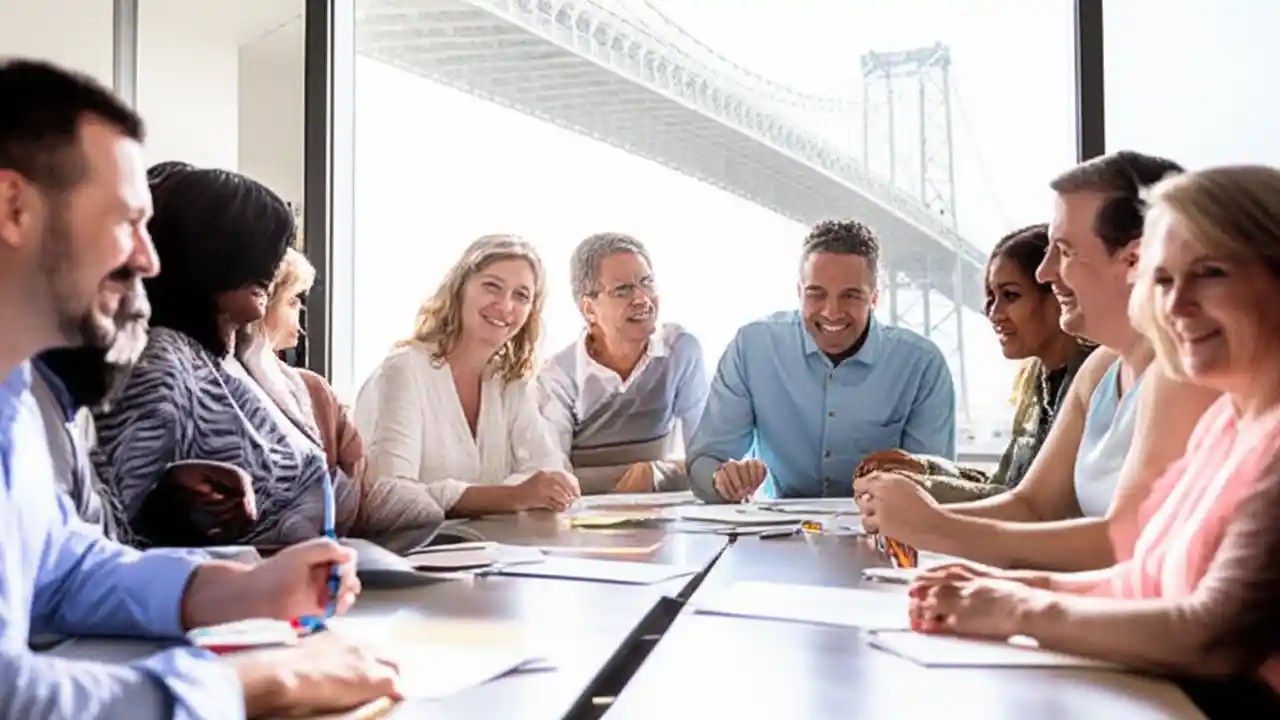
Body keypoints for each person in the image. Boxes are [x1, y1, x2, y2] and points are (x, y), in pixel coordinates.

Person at [0, 58, 396, 719]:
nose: (148, 258)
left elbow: (61, 568)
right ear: (14, 209)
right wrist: (259, 682)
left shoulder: (18, 389)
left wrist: (238, 589)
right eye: (126, 221)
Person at [908, 165, 1280, 699]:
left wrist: (1021, 609)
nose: (1177, 305)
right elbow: (1145, 579)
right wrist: (1012, 585)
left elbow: (1213, 637)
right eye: (1163, 280)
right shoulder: (1227, 424)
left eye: (1211, 272)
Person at [856, 151, 1221, 571]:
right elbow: (1032, 506)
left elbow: (1126, 542)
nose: (1045, 272)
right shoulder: (1101, 369)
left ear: (1133, 261)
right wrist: (898, 520)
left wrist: (935, 527)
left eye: (1064, 251)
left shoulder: (1186, 373)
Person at [93, 164, 443, 547]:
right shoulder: (162, 360)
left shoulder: (233, 359)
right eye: (256, 248)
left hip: (314, 562)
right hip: (249, 577)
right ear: (203, 251)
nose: (273, 266)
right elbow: (111, 527)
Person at [687, 219, 956, 503]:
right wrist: (722, 480)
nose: (831, 312)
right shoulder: (751, 348)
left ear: (874, 299)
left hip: (885, 525)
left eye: (850, 296)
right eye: (816, 294)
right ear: (799, 292)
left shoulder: (923, 366)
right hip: (779, 526)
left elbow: (934, 485)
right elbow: (704, 459)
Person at [854, 224, 1094, 503]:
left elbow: (1033, 505)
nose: (994, 313)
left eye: (1011, 295)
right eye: (991, 298)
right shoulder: (1037, 382)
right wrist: (922, 468)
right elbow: (1004, 486)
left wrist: (919, 487)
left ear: (1058, 294)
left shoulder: (1095, 382)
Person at [356, 235, 580, 516]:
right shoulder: (405, 369)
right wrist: (513, 496)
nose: (505, 306)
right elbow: (387, 494)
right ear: (460, 288)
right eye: (492, 287)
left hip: (492, 541)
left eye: (521, 296)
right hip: (414, 542)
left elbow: (549, 470)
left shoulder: (511, 382)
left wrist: (543, 488)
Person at [538, 232, 709, 494]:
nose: (642, 299)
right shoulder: (558, 376)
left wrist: (655, 474)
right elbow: (555, 482)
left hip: (662, 513)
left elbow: (707, 461)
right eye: (623, 290)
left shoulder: (680, 350)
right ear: (589, 309)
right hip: (585, 516)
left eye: (646, 282)